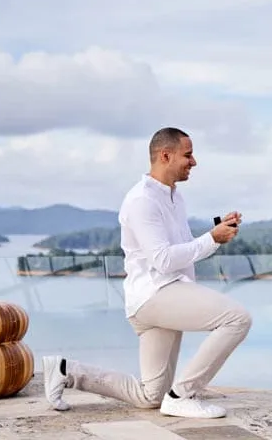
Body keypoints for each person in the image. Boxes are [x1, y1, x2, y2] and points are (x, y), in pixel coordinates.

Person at [42, 127, 252, 419]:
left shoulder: (174, 197)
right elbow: (163, 260)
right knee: (237, 318)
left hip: (165, 296)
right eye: (188, 155)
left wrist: (216, 234)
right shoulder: (142, 200)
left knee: (150, 396)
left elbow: (182, 250)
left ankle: (66, 370)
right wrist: (212, 238)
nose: (194, 162)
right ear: (165, 155)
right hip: (155, 295)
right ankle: (182, 395)